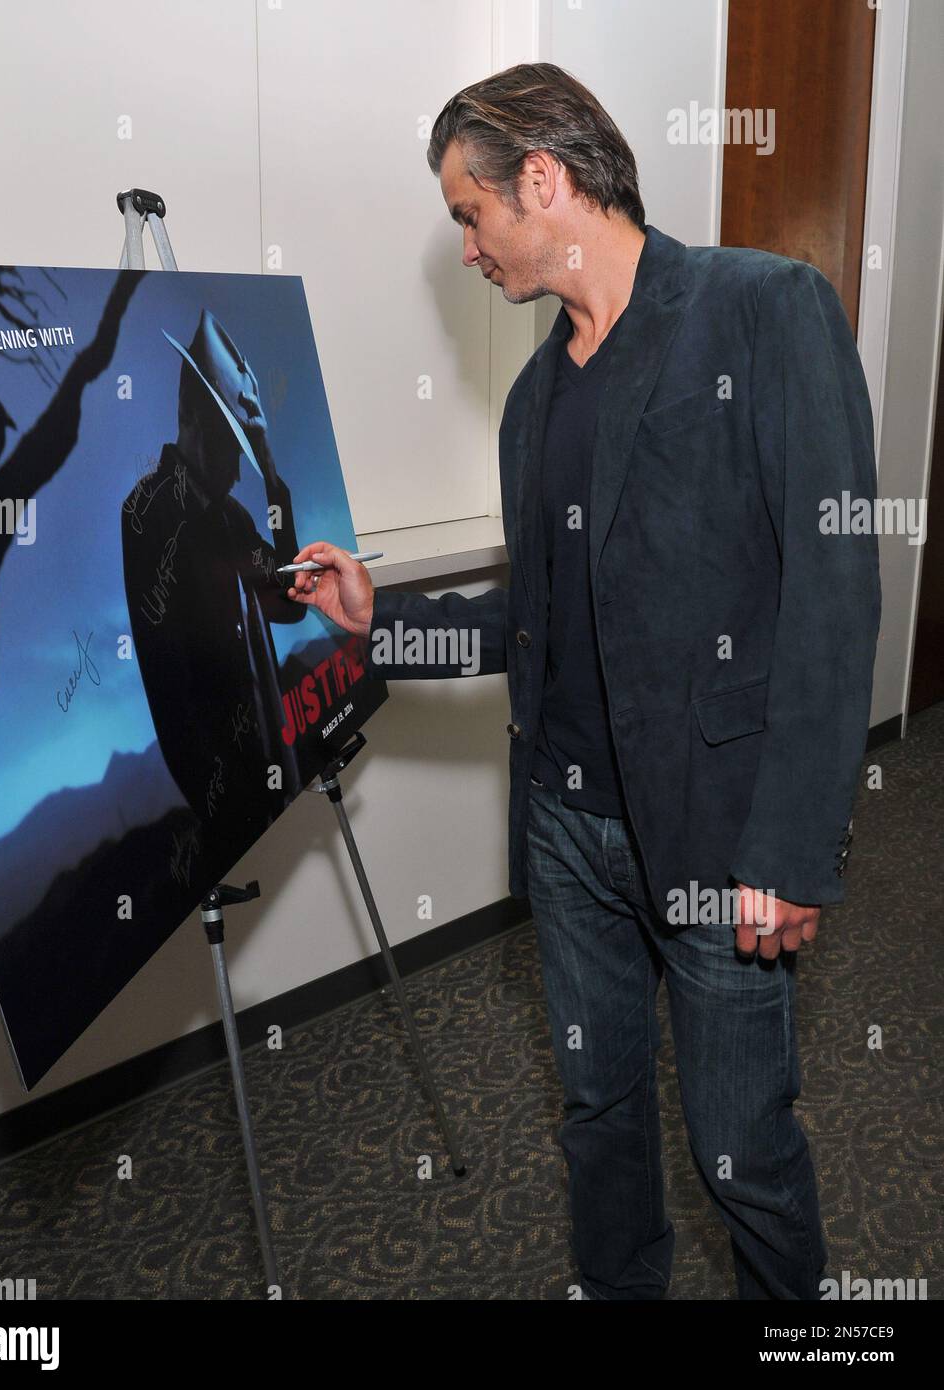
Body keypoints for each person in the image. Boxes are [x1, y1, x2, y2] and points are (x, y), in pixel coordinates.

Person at [285, 63, 881, 1301]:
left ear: (542, 181)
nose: (466, 247)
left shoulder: (764, 310)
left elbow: (834, 597)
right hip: (566, 837)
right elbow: (534, 623)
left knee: (742, 1158)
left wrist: (792, 848)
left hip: (718, 840)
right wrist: (373, 620)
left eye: (469, 212)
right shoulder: (533, 402)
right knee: (597, 1121)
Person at [122, 309, 305, 841]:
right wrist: (220, 804)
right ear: (193, 418)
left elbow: (289, 604)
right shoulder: (148, 512)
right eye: (233, 442)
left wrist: (274, 483)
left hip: (273, 772)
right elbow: (170, 684)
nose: (240, 466)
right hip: (230, 798)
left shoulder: (235, 517)